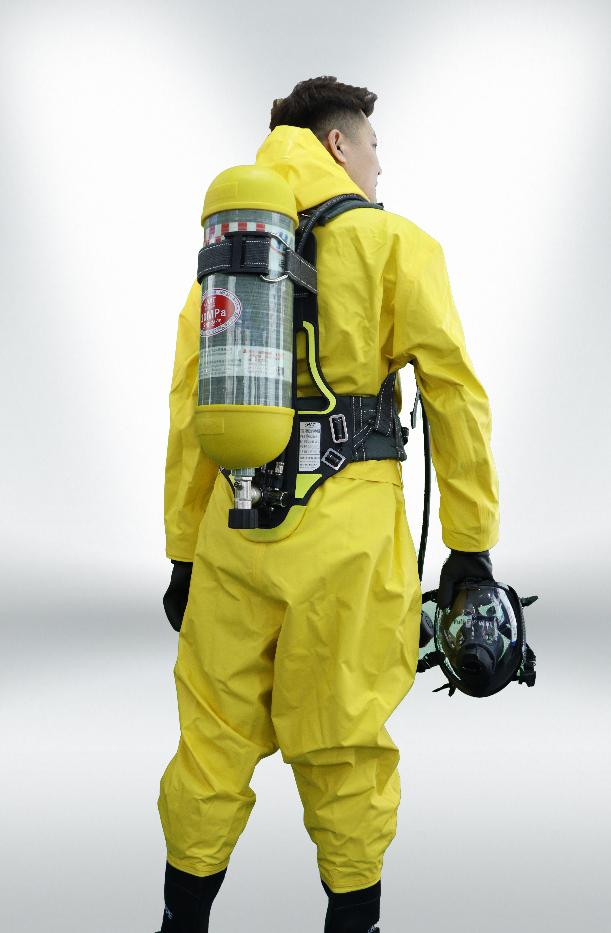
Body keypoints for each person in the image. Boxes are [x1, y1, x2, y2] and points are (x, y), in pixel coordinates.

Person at [156, 76, 500, 933]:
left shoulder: (227, 254)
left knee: (210, 741)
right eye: (373, 148)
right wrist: (469, 543)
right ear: (338, 144)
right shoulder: (395, 243)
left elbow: (191, 408)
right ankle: (352, 923)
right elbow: (454, 393)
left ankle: (179, 922)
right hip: (349, 538)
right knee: (343, 742)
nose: (380, 167)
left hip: (233, 526)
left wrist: (183, 551)